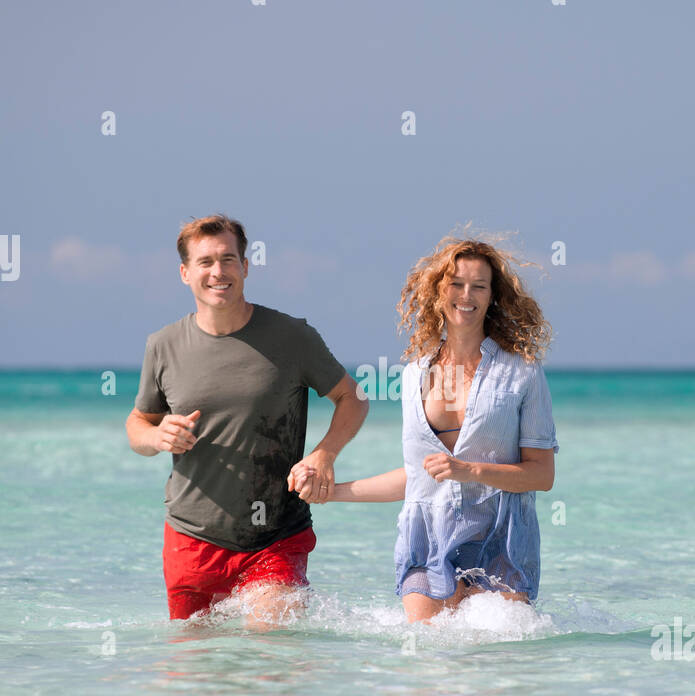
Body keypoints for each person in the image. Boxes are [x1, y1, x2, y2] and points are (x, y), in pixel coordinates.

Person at [126, 214, 367, 627]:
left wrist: (324, 454)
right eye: (205, 262)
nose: (218, 272)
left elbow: (353, 398)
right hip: (191, 538)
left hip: (275, 536)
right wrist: (157, 436)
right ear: (185, 273)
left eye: (228, 259)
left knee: (268, 647)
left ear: (245, 266)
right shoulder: (162, 345)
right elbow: (138, 424)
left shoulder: (292, 337)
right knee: (194, 662)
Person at [302, 234, 557, 623]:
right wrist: (331, 493)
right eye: (456, 283)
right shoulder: (415, 374)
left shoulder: (521, 372)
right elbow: (419, 479)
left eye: (479, 286)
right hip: (428, 542)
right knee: (426, 654)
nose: (466, 295)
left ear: (493, 296)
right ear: (438, 292)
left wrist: (469, 470)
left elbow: (542, 474)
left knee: (500, 656)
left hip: (501, 541)